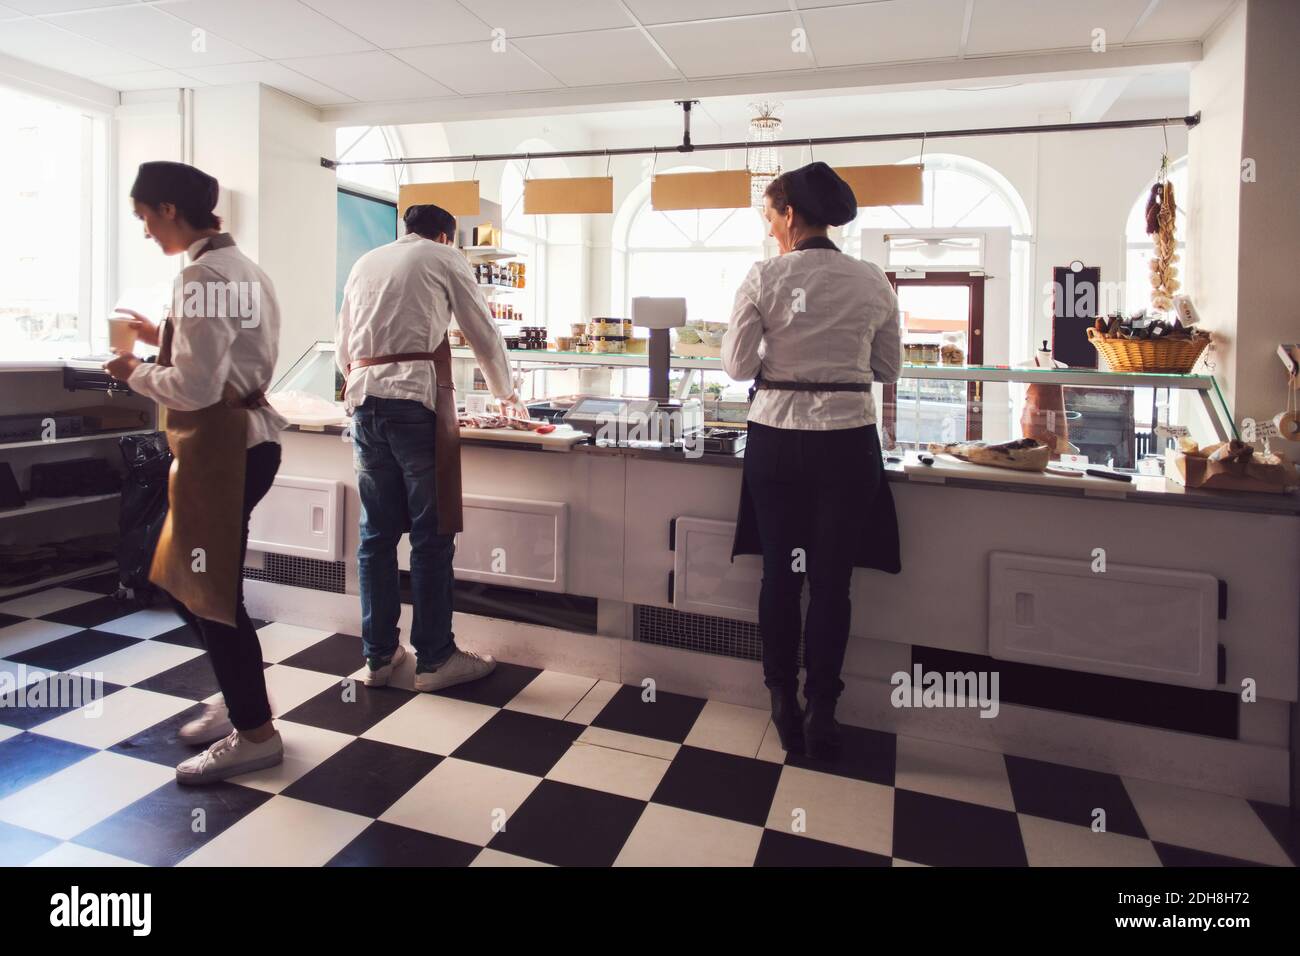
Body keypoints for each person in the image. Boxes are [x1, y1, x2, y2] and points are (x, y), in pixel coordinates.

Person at [105, 161, 287, 784]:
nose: (146, 230)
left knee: (208, 596)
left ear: (170, 210)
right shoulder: (242, 270)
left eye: (145, 217)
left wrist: (131, 371)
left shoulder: (200, 277)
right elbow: (221, 355)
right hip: (247, 445)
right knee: (185, 581)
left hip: (220, 450)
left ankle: (256, 733)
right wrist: (166, 337)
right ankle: (240, 699)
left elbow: (194, 384)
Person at [723, 161, 903, 760]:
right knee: (832, 583)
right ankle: (822, 707)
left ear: (790, 215)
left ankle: (780, 699)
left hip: (777, 437)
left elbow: (738, 367)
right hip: (848, 441)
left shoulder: (763, 277)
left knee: (781, 575)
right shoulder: (872, 280)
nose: (770, 225)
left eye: (771, 214)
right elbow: (889, 369)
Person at [336, 203, 526, 692]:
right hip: (413, 405)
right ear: (446, 236)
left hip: (364, 400)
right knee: (432, 534)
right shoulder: (444, 258)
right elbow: (481, 329)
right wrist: (506, 394)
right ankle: (436, 659)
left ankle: (378, 658)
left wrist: (358, 382)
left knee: (376, 536)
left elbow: (342, 344)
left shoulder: (366, 262)